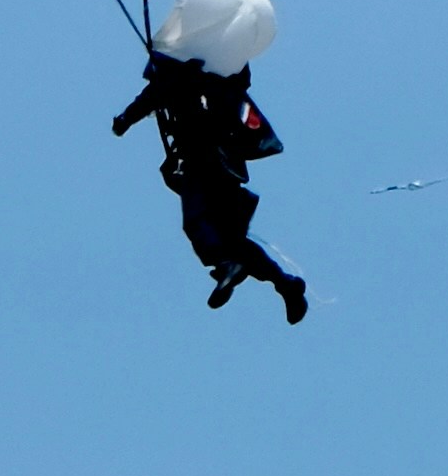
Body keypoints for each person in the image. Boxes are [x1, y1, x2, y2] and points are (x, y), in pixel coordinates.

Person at [114, 44, 307, 318]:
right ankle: (285, 285)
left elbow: (152, 95)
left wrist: (125, 119)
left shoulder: (186, 79)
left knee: (197, 221)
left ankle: (227, 264)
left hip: (205, 160)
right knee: (233, 240)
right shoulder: (206, 81)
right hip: (221, 164)